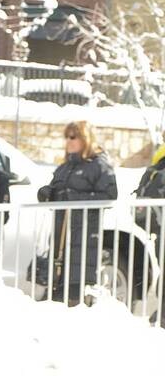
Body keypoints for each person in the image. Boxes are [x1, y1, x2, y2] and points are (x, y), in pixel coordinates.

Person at [37, 120, 117, 305]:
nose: (69, 141)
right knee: (54, 297)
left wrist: (75, 197)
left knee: (74, 296)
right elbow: (57, 191)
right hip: (61, 238)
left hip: (84, 238)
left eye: (73, 136)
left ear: (85, 138)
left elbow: (110, 195)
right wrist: (47, 193)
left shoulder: (99, 165)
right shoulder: (65, 166)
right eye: (67, 137)